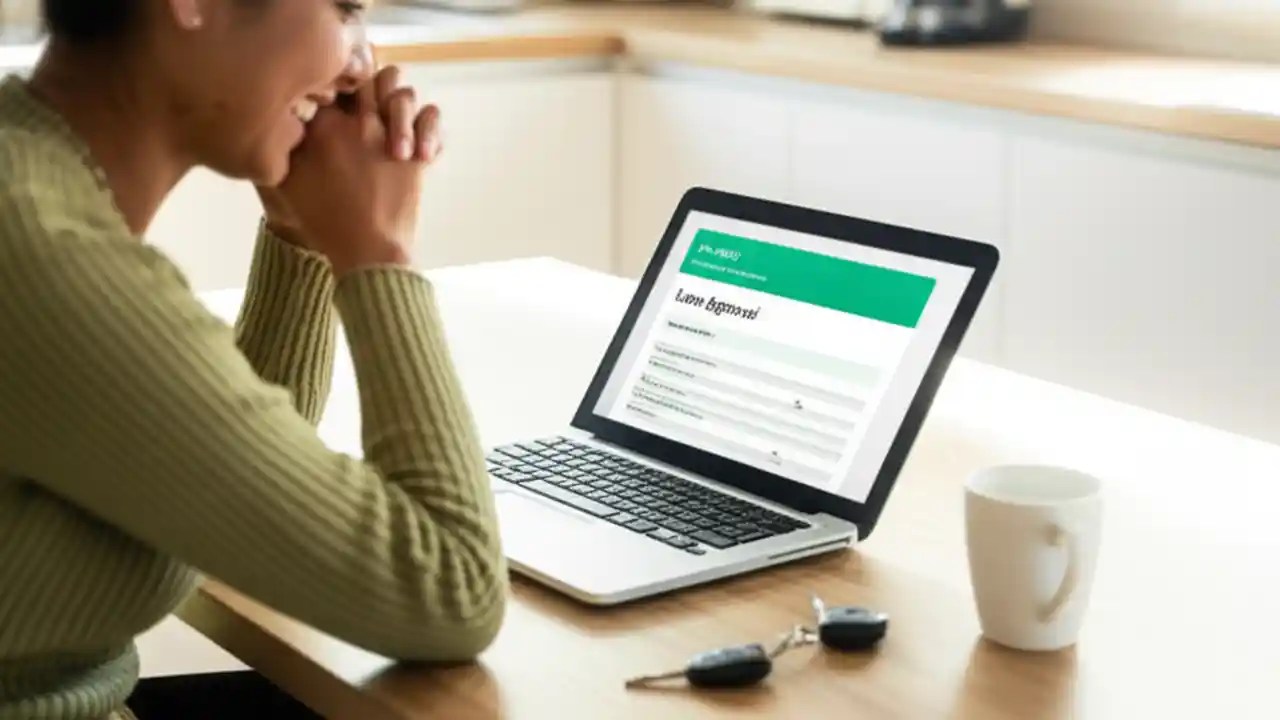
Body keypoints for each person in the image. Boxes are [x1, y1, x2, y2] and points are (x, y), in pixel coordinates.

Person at [0, 1, 509, 719]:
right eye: (346, 8)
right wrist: (380, 255)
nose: (361, 64)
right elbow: (453, 590)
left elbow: (241, 501)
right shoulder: (48, 255)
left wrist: (302, 237)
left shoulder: (27, 181)